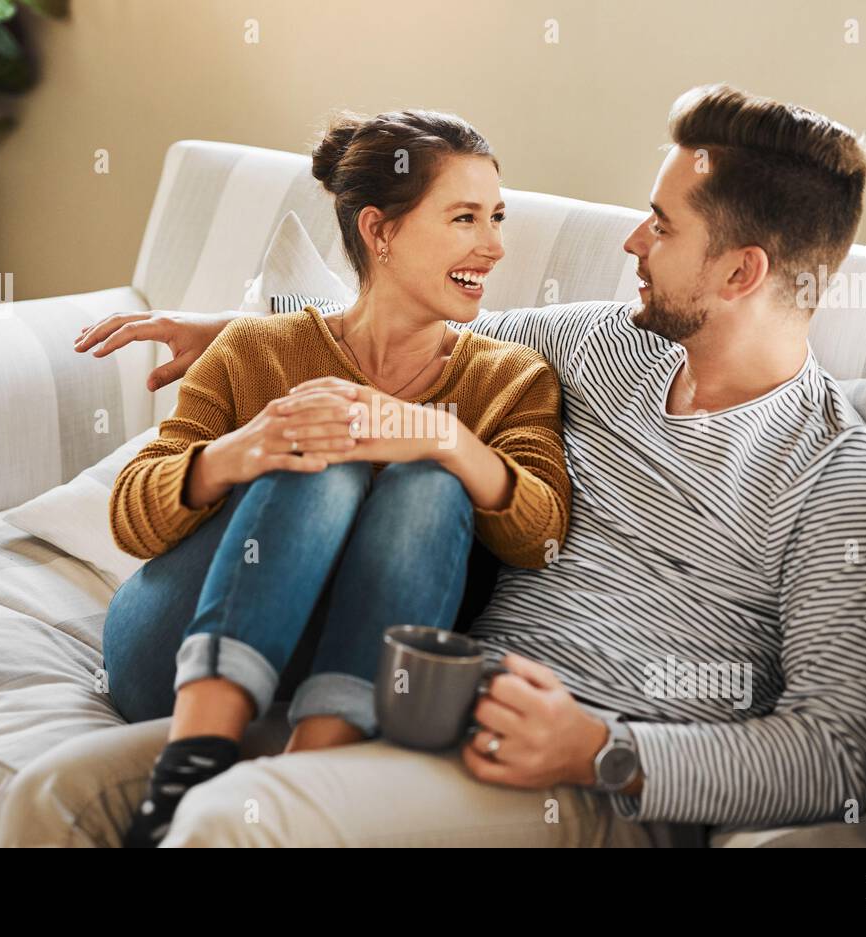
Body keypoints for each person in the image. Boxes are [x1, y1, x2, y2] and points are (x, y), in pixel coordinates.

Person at [76, 83, 866, 847]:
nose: (631, 241)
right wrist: (228, 327)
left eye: (660, 225)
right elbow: (410, 326)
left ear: (741, 271)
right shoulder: (606, 343)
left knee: (234, 825)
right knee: (62, 794)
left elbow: (837, 758)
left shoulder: (838, 475)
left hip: (581, 787)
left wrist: (601, 751)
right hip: (417, 704)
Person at [96, 109, 571, 847]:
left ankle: (310, 769)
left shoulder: (509, 377)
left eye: (497, 218)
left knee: (431, 476)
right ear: (380, 232)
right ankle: (186, 769)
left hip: (353, 666)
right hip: (171, 654)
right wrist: (245, 449)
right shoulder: (256, 348)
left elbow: (540, 536)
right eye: (465, 218)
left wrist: (444, 436)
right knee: (319, 443)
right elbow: (131, 515)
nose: (495, 246)